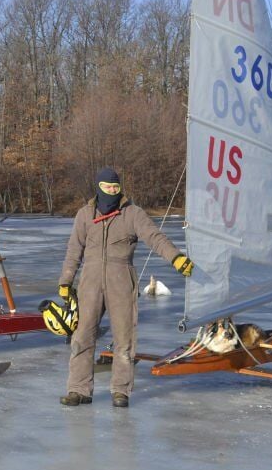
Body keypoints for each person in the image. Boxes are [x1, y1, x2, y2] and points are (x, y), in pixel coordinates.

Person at [57, 166, 193, 408]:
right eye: (107, 187)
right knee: (82, 336)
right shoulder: (85, 215)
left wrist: (176, 258)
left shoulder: (132, 213)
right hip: (90, 281)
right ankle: (79, 389)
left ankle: (121, 391)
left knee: (124, 338)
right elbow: (74, 250)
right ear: (98, 187)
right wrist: (65, 282)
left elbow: (154, 237)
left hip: (121, 279)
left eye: (115, 187)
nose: (111, 191)